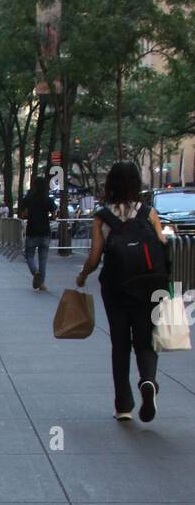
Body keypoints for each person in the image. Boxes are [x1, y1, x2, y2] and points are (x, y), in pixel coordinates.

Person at [76, 160, 168, 422]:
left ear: (110, 184)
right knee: (145, 338)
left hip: (116, 286)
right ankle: (147, 380)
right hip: (150, 285)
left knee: (120, 343)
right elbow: (161, 245)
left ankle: (123, 404)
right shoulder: (149, 213)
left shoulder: (102, 216)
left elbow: (94, 257)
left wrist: (83, 276)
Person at [19, 176, 56, 290]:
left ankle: (35, 272)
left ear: (33, 185)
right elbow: (54, 212)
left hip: (32, 230)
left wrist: (27, 215)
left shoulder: (28, 198)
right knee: (43, 259)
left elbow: (23, 213)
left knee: (29, 255)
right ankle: (42, 283)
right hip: (45, 231)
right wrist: (51, 217)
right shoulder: (48, 199)